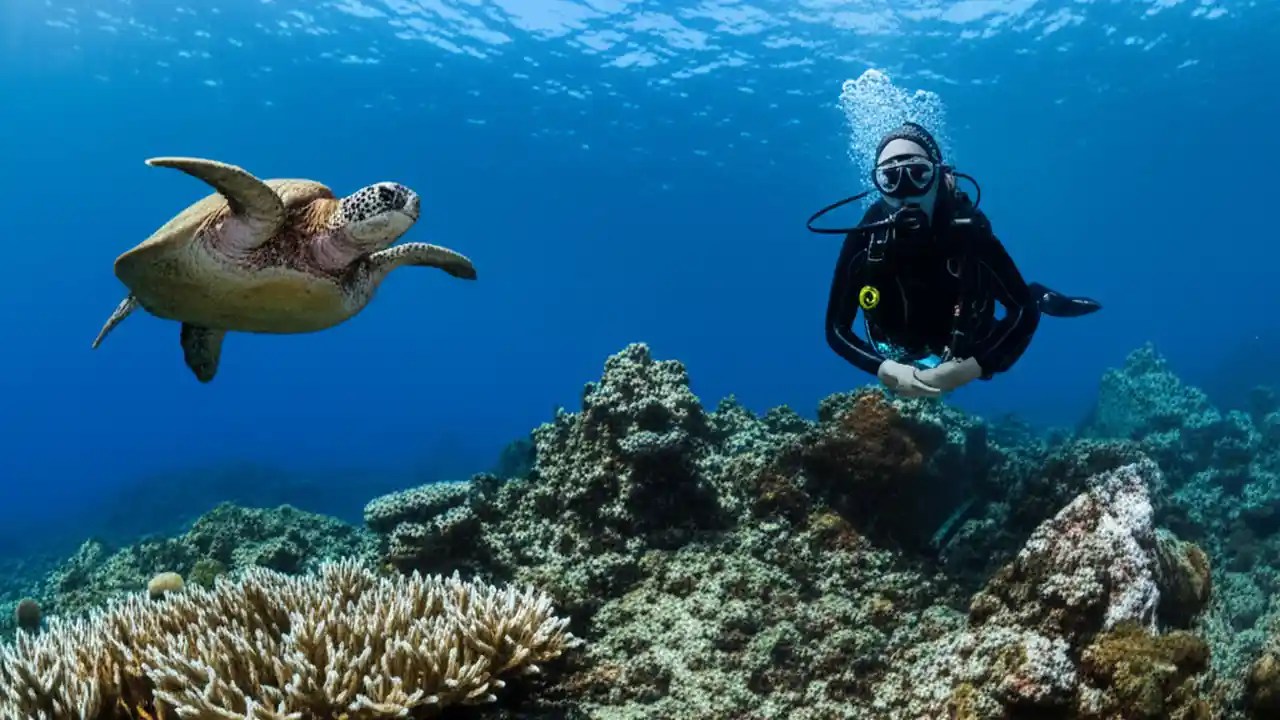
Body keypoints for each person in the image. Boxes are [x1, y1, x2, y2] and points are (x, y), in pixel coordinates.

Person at [806, 121, 1100, 398]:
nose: (905, 191)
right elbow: (835, 329)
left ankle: (1043, 296)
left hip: (965, 339)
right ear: (878, 184)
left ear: (938, 177)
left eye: (918, 173)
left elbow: (1021, 310)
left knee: (1004, 341)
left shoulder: (968, 231)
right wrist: (884, 368)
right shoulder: (866, 238)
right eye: (890, 178)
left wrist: (971, 368)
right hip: (897, 348)